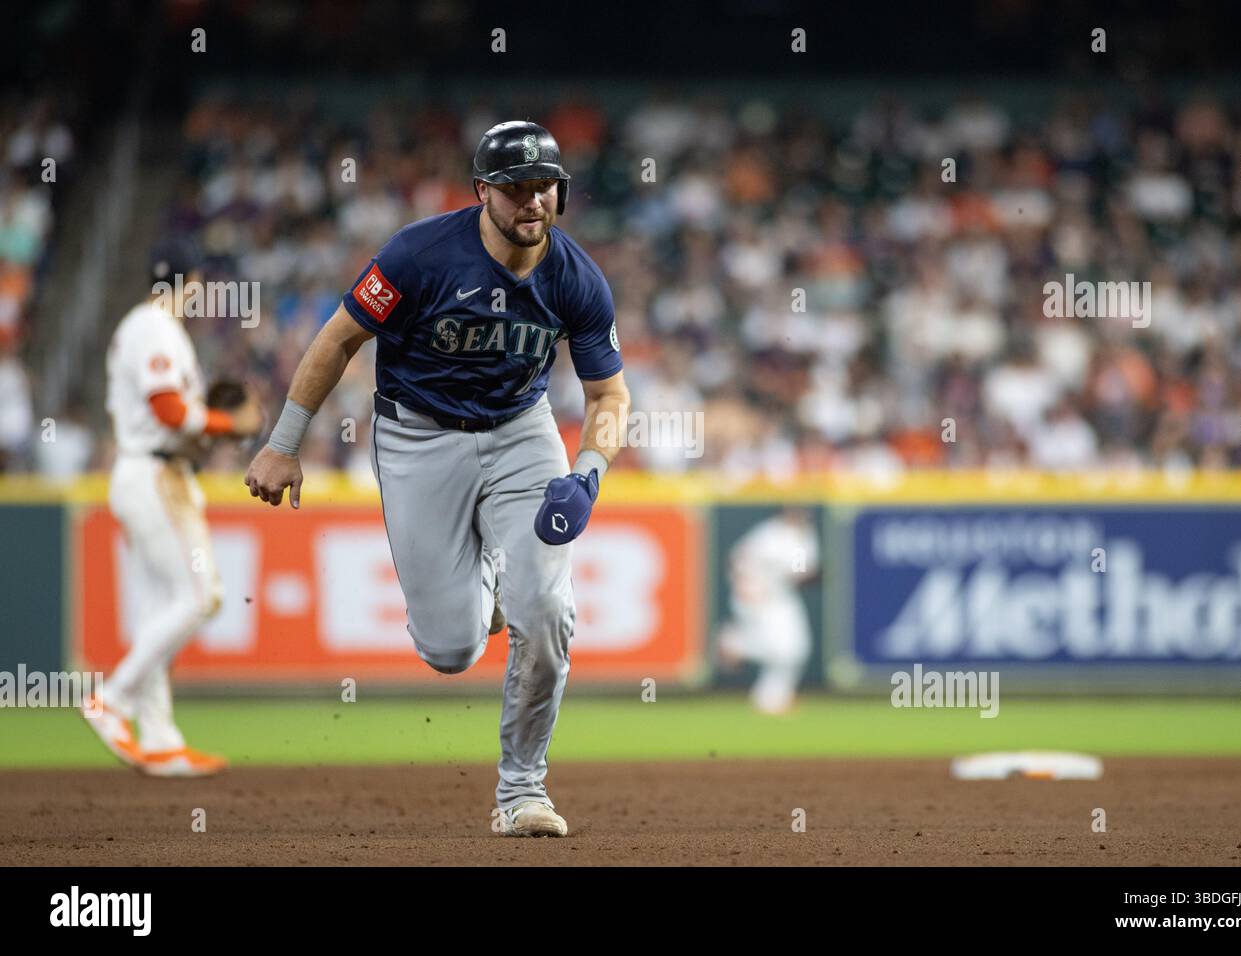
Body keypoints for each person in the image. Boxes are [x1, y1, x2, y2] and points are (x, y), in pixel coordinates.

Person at [244, 122, 631, 837]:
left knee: (547, 612)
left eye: (545, 186)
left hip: (521, 430)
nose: (533, 201)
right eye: (516, 188)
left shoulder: (577, 277)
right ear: (482, 190)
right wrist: (284, 443)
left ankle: (522, 791)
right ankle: (494, 580)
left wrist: (587, 474)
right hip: (418, 435)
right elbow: (339, 337)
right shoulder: (420, 254)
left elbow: (609, 395)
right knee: (450, 650)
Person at [81, 238, 263, 776]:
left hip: (151, 471)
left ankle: (160, 739)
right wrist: (229, 423)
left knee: (158, 610)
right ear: (190, 283)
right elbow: (167, 408)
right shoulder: (155, 327)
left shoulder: (146, 326)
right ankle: (112, 699)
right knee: (203, 596)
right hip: (156, 476)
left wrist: (211, 427)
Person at [718, 507, 820, 715]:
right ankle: (735, 643)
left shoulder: (803, 537)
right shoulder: (769, 534)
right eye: (797, 511)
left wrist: (812, 574)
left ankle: (769, 698)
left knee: (796, 650)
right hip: (758, 596)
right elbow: (738, 558)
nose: (800, 516)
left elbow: (799, 573)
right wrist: (745, 587)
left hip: (782, 596)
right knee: (784, 650)